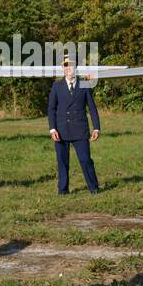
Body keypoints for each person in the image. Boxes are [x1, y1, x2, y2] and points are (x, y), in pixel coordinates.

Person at [47, 57, 100, 194]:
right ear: (63, 69)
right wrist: (52, 129)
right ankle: (63, 190)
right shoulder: (57, 86)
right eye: (65, 66)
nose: (68, 68)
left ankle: (94, 188)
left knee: (85, 159)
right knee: (62, 161)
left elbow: (92, 108)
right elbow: (51, 109)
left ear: (75, 68)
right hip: (61, 130)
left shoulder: (84, 85)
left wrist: (96, 128)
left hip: (80, 130)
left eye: (70, 66)